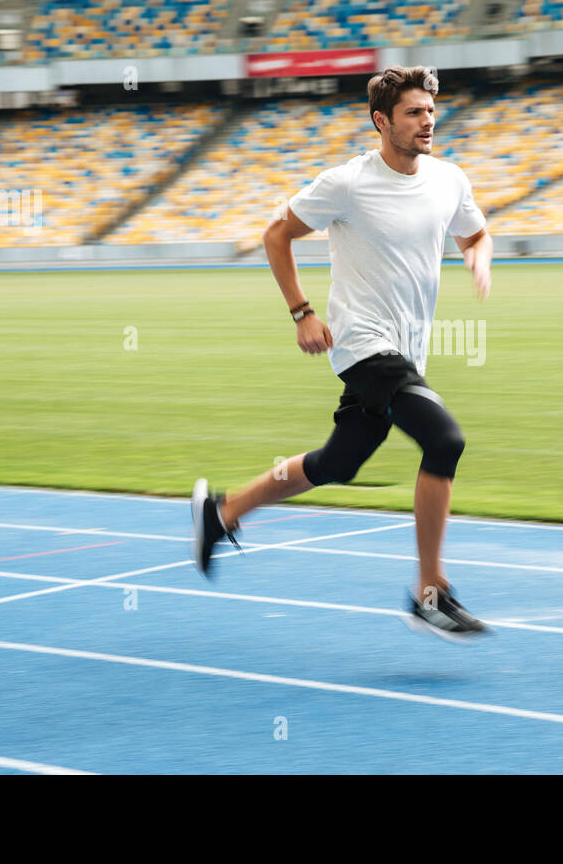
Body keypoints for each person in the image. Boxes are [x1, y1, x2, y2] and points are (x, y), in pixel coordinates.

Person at [191, 65, 493, 641]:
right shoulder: (347, 183)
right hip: (362, 343)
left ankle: (223, 512)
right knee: (445, 440)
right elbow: (276, 234)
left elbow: (475, 233)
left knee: (339, 462)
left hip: (406, 351)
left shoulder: (449, 178)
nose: (428, 120)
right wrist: (302, 312)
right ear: (382, 121)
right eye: (414, 112)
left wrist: (478, 252)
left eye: (430, 110)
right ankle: (431, 592)